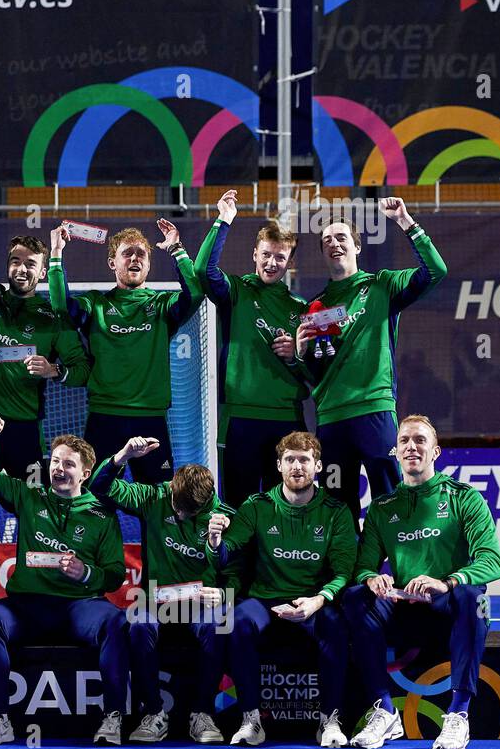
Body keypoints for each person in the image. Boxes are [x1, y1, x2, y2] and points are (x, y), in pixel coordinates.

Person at [343, 415, 500, 749]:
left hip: (449, 610)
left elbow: (492, 560)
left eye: (420, 440)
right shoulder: (383, 508)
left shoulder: (464, 498)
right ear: (395, 452)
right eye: (404, 441)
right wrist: (373, 578)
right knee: (356, 597)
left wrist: (446, 582)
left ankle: (458, 714)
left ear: (435, 452)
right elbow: (362, 567)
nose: (411, 447)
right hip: (405, 609)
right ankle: (385, 710)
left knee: (473, 596)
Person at [0, 233, 90, 606]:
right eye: (15, 261)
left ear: (42, 272)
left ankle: (44, 598)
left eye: (30, 263)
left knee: (40, 519)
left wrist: (54, 369)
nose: (21, 268)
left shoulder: (52, 318)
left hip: (24, 437)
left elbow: (82, 369)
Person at [0, 416, 128, 745]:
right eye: (55, 461)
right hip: (28, 606)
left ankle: (113, 717)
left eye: (68, 464)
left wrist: (85, 573)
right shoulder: (30, 495)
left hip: (80, 606)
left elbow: (114, 575)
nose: (58, 468)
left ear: (86, 473)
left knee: (116, 622)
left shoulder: (102, 514)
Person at [296, 198, 447, 518]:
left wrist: (406, 221)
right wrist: (300, 352)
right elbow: (313, 374)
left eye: (341, 238)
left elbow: (436, 271)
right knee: (337, 507)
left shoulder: (383, 285)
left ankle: (402, 567)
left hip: (374, 410)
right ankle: (353, 570)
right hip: (331, 419)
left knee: (391, 501)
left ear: (357, 247)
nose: (333, 243)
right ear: (323, 253)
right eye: (326, 241)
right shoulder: (315, 308)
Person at [217, 431, 357, 748]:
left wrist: (318, 600)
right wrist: (214, 542)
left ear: (318, 466)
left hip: (312, 601)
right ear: (279, 466)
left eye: (304, 460)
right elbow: (228, 551)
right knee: (238, 622)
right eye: (290, 460)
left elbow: (344, 570)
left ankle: (329, 721)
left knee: (335, 625)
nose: (297, 466)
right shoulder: (257, 506)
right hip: (265, 600)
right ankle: (251, 720)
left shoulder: (336, 511)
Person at [90, 437, 232, 743]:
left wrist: (223, 592)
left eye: (189, 513)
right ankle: (153, 713)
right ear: (171, 490)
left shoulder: (225, 517)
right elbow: (99, 488)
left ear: (207, 503)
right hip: (156, 599)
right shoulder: (153, 497)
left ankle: (203, 714)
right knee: (139, 625)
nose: (181, 516)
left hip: (200, 604)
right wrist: (123, 455)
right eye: (177, 508)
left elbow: (238, 570)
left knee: (218, 625)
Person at [49, 218, 203, 486]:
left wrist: (177, 249)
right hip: (104, 418)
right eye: (127, 253)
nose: (135, 258)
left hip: (151, 419)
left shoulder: (163, 305)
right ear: (112, 263)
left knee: (158, 502)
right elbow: (61, 306)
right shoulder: (95, 305)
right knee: (94, 500)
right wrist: (56, 254)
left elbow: (196, 293)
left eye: (141, 253)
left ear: (149, 263)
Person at [193, 190, 309, 507]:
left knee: (286, 508)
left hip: (288, 419)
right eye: (267, 254)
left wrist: (296, 356)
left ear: (290, 263)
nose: (272, 263)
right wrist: (224, 219)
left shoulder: (301, 309)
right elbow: (202, 270)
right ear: (254, 254)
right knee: (237, 507)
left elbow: (315, 373)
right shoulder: (236, 291)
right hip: (239, 418)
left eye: (280, 257)